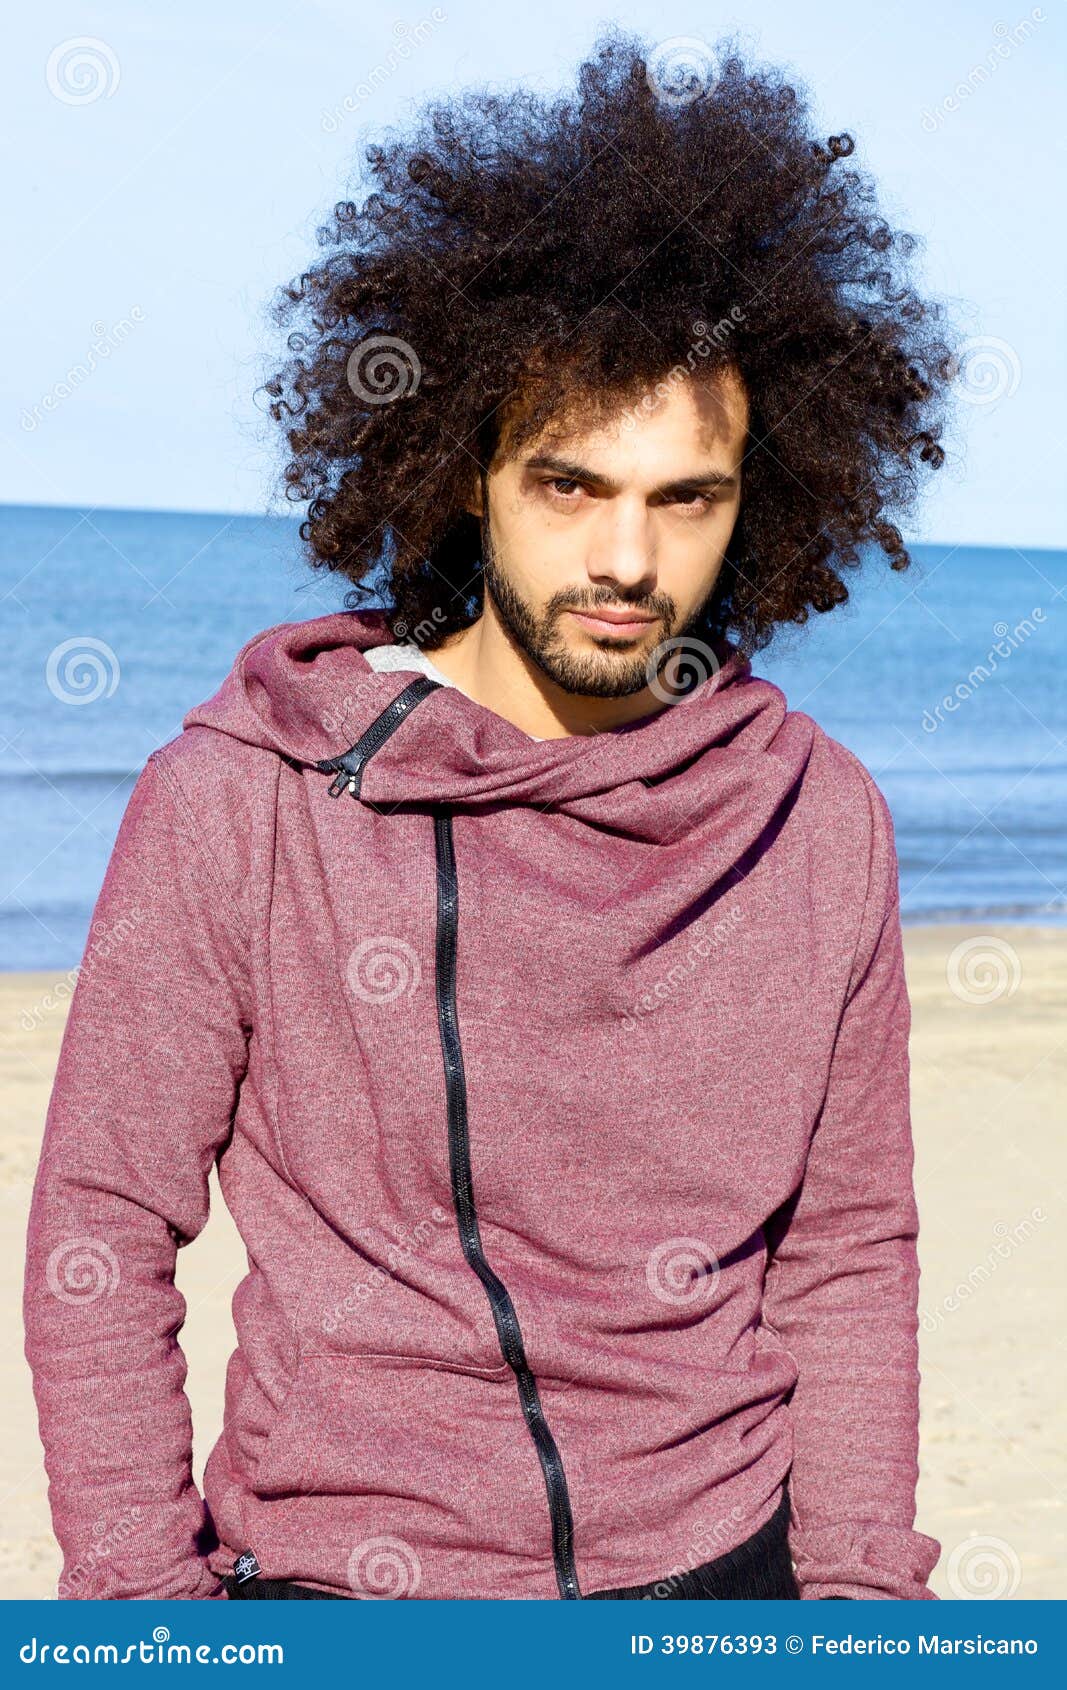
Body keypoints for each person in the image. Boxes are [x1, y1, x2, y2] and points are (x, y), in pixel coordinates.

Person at [23, 31, 953, 1601]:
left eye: (686, 497)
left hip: (731, 1575)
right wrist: (143, 1605)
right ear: (467, 468)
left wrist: (862, 1605)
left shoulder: (819, 818)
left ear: (764, 497)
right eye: (569, 483)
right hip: (343, 1591)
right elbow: (103, 1230)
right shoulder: (247, 800)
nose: (629, 561)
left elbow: (850, 1252)